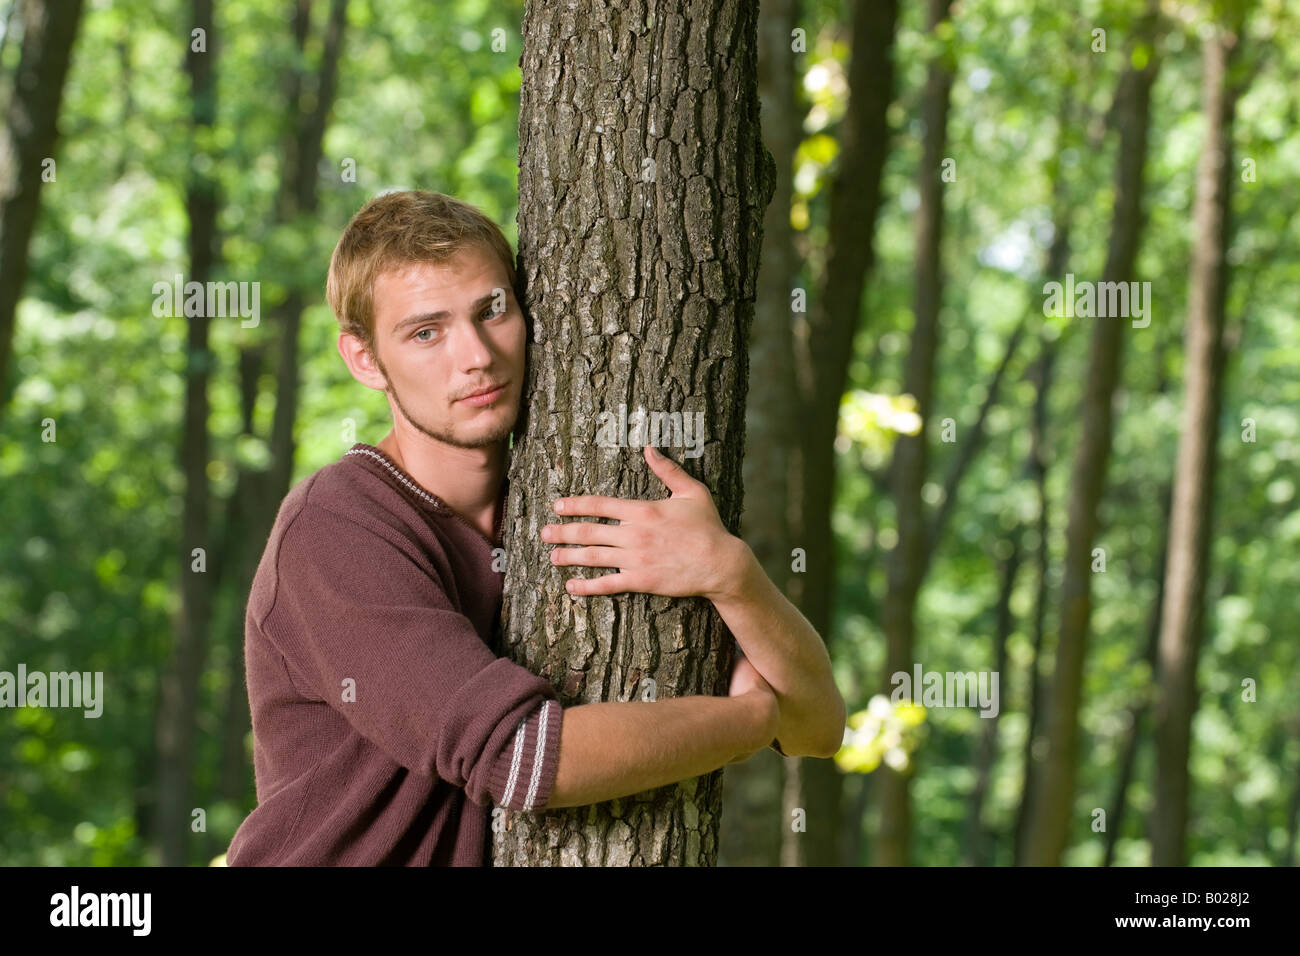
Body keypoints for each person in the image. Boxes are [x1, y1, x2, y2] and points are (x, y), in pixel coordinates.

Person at [225, 190, 844, 866]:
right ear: (366, 360)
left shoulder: (558, 503)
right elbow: (523, 762)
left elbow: (818, 725)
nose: (478, 356)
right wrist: (755, 718)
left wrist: (731, 573)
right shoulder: (337, 529)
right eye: (426, 332)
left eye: (492, 311)